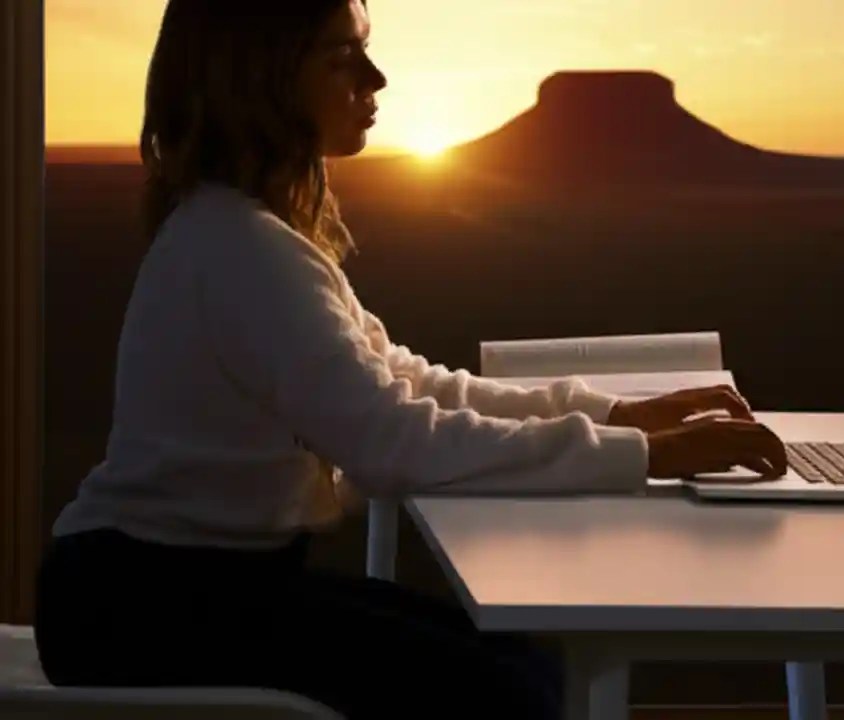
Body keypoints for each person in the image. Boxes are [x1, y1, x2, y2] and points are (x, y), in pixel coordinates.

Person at [32, 2, 788, 719]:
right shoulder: (245, 250)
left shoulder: (249, 234)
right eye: (343, 57)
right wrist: (643, 455)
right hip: (149, 609)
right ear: (260, 75)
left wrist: (619, 416)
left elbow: (407, 382)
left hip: (169, 591)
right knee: (511, 690)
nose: (376, 78)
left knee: (523, 669)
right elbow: (394, 439)